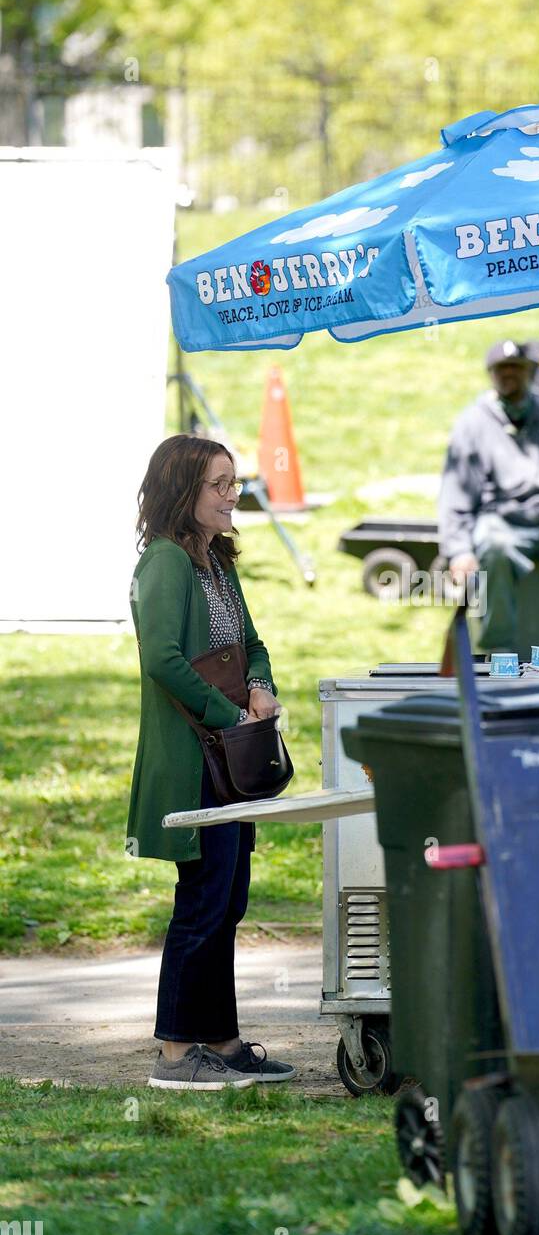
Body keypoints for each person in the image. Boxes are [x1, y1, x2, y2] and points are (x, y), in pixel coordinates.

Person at [127, 434, 298, 1089]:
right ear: (184, 492)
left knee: (228, 900)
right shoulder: (164, 564)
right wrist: (232, 719)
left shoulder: (217, 562)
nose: (233, 494)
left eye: (234, 481)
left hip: (229, 756)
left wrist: (259, 685)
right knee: (201, 902)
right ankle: (174, 1054)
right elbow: (161, 659)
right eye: (219, 484)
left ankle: (220, 1042)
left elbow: (251, 644)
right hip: (196, 758)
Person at [439, 338, 539, 656]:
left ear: (529, 372)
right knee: (493, 544)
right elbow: (455, 493)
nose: (509, 374)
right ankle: (498, 647)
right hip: (503, 521)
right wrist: (457, 550)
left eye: (516, 367)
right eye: (502, 369)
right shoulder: (473, 422)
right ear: (491, 374)